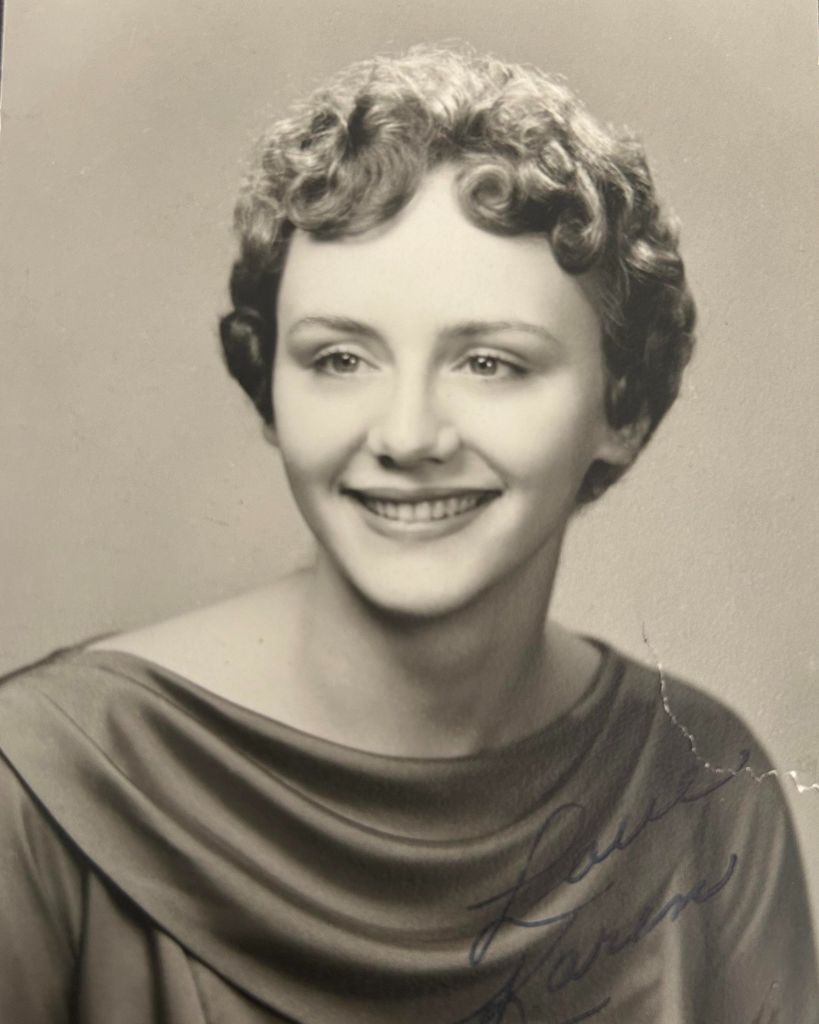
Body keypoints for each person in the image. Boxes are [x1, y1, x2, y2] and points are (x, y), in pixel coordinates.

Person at [0, 46, 815, 1024]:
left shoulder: (703, 788)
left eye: (489, 362)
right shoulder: (39, 780)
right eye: (340, 358)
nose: (406, 436)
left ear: (624, 405)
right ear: (269, 385)